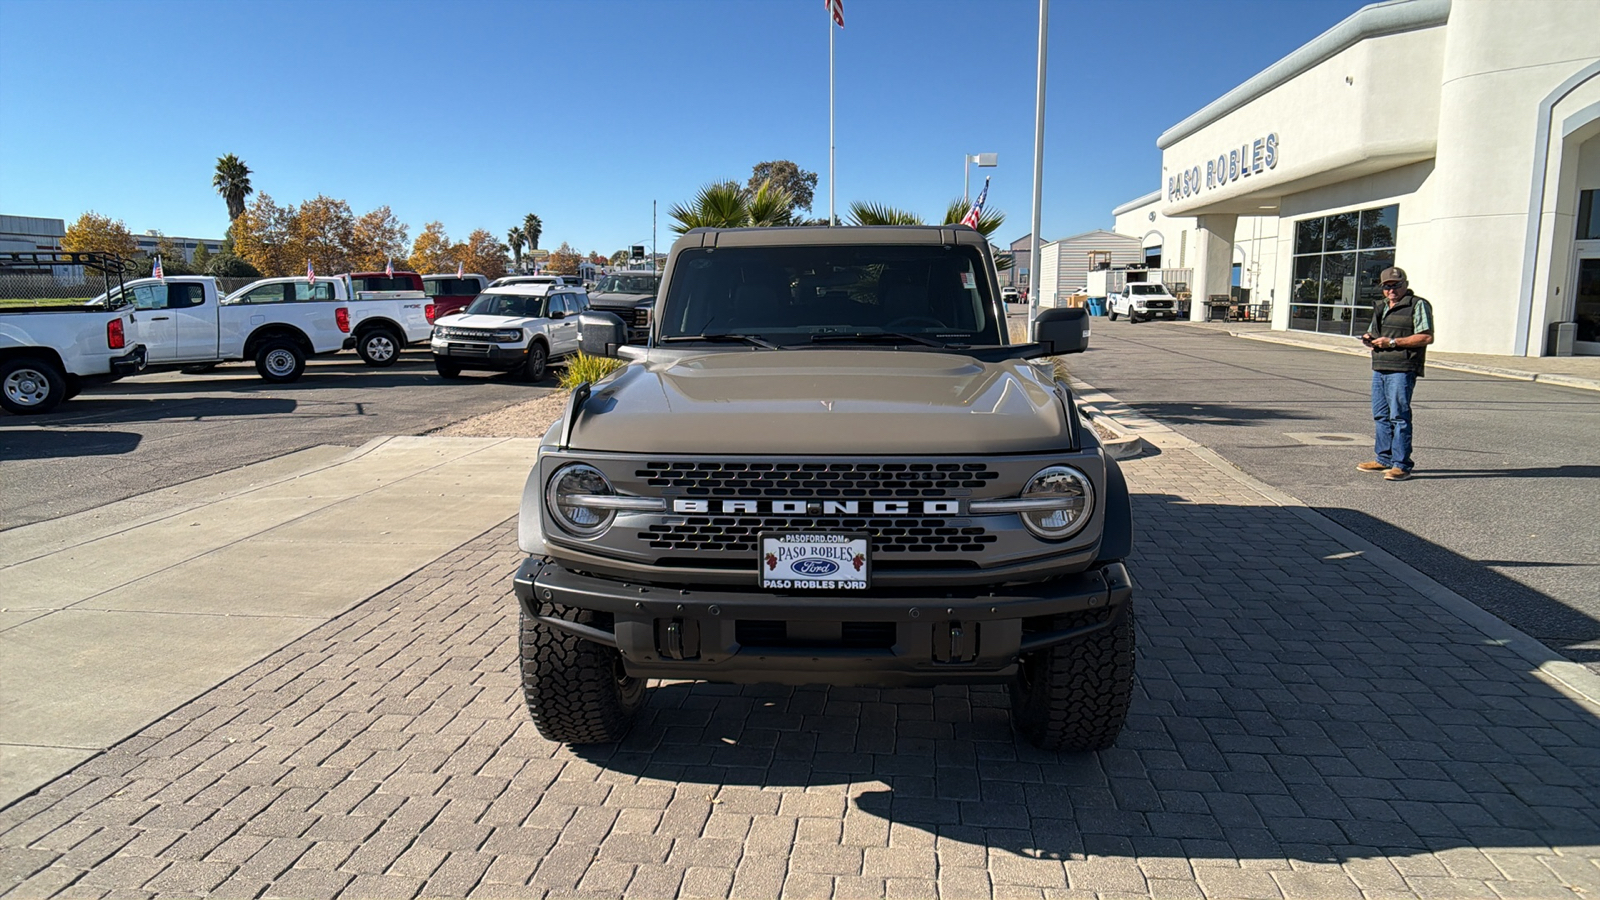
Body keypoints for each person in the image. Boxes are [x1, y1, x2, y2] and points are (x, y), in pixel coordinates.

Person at [1358, 266, 1434, 481]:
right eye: (1387, 286)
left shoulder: (1417, 305)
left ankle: (1402, 464)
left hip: (1402, 368)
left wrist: (1392, 342)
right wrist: (1369, 338)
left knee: (1399, 416)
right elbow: (1375, 332)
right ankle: (1384, 459)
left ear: (1405, 285)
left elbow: (1426, 337)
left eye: (1396, 285)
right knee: (1381, 415)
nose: (1392, 290)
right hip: (1380, 366)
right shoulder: (1381, 307)